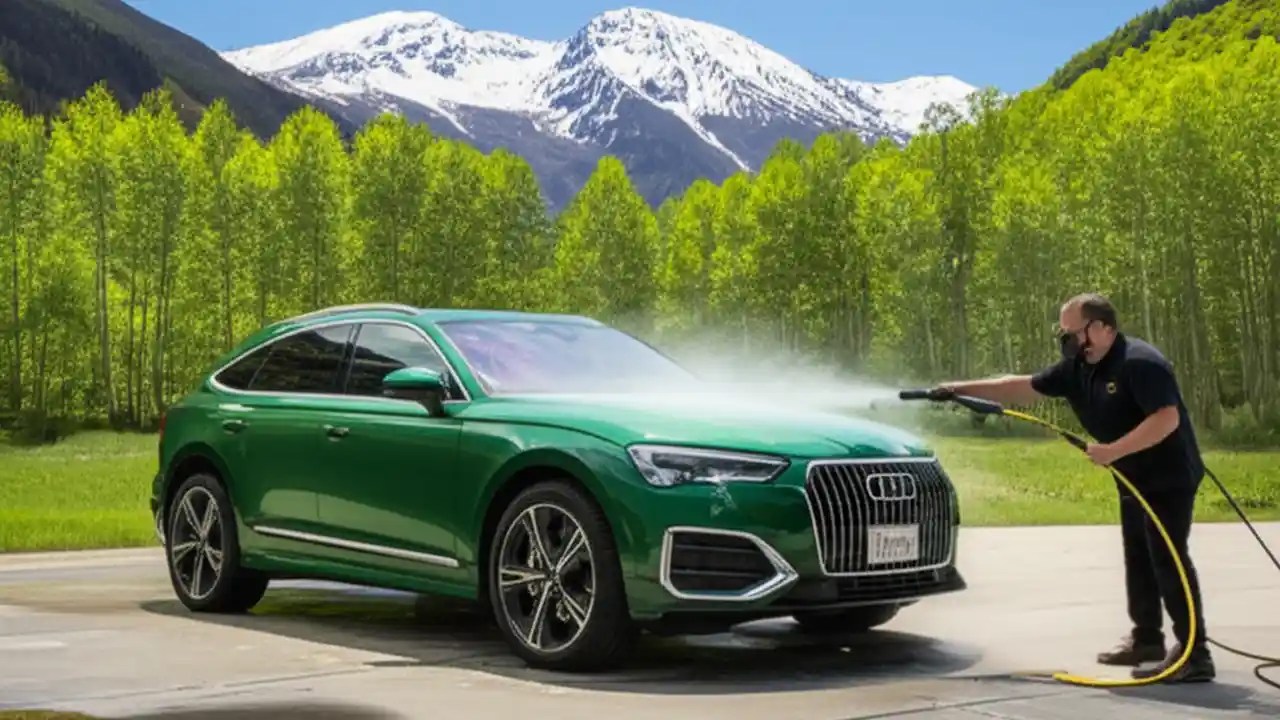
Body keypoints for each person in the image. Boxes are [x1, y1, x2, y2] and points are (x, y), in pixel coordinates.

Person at [933, 292, 1215, 683]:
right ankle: (1146, 639)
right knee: (1138, 552)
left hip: (1168, 474)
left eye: (1071, 331)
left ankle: (1194, 655)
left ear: (1101, 329)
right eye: (1062, 332)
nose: (1065, 339)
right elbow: (1018, 387)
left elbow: (1165, 419)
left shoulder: (1140, 363)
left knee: (1167, 557)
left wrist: (1113, 450)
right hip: (1131, 473)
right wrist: (959, 389)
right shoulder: (1077, 368)